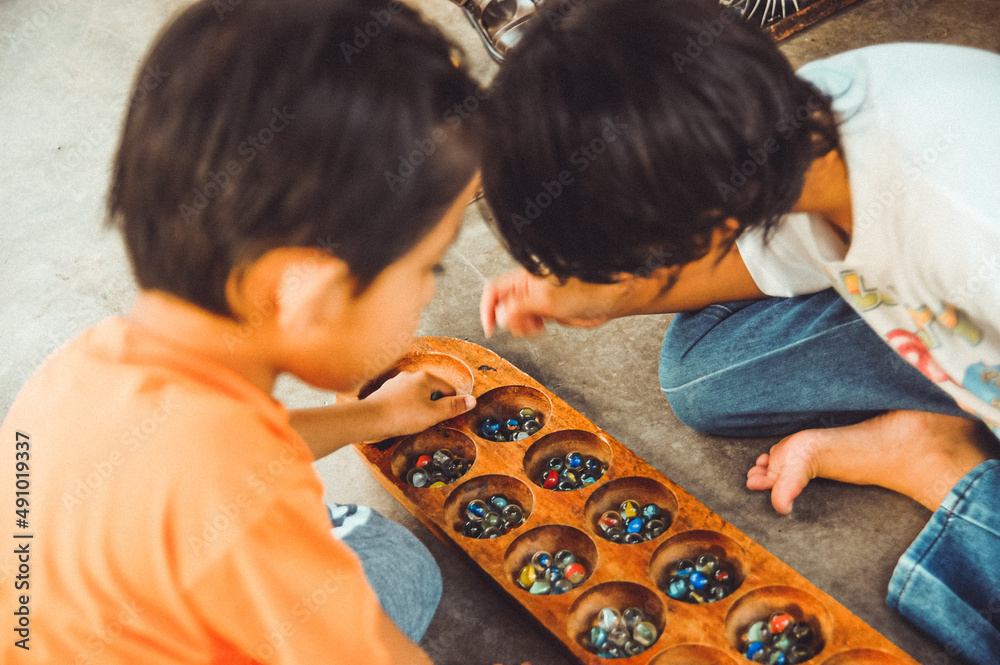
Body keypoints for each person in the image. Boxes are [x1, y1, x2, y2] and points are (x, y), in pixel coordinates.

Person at [477, 0, 1000, 662]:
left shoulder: (969, 229)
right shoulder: (794, 131)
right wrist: (602, 297)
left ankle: (941, 468)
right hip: (953, 306)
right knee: (703, 370)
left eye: (635, 259)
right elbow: (758, 259)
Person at [0, 1, 484, 662]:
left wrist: (376, 415)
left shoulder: (77, 368)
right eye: (429, 267)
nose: (429, 291)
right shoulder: (238, 502)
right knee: (399, 563)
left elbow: (227, 455)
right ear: (302, 292)